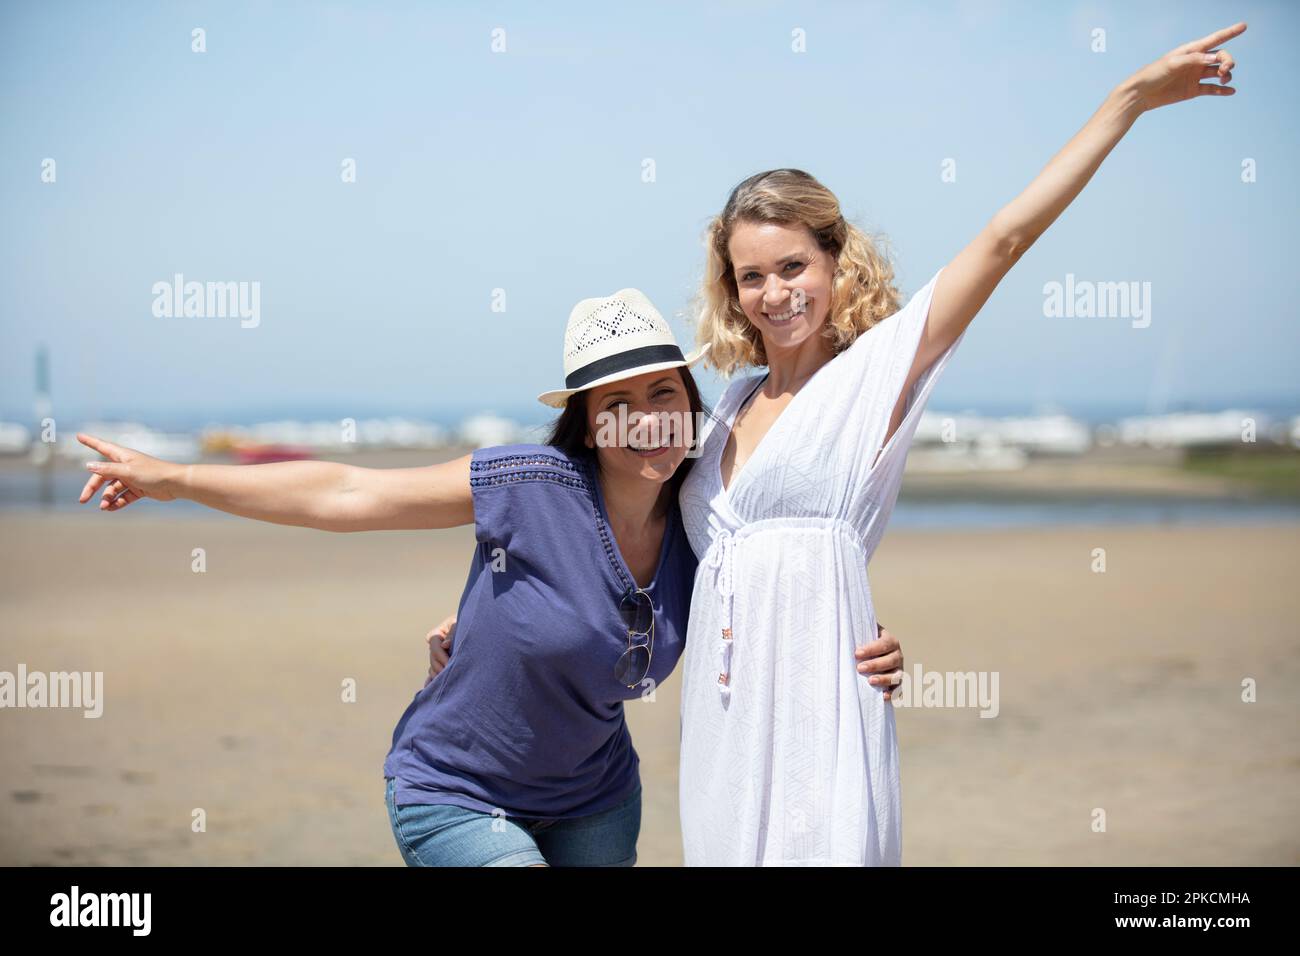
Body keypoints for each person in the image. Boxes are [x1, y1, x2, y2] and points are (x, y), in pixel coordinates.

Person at [75, 285, 907, 866]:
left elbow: (780, 599)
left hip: (597, 802)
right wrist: (175, 479)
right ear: (586, 421)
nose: (648, 416)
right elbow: (348, 489)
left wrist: (865, 647)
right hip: (456, 788)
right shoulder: (526, 485)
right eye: (619, 401)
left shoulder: (706, 519)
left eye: (665, 390)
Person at [674, 23, 1245, 865]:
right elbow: (646, 541)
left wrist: (1126, 101)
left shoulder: (874, 373)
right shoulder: (725, 403)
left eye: (794, 266)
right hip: (719, 726)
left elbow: (1004, 240)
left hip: (822, 706)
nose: (774, 293)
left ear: (836, 261)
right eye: (751, 275)